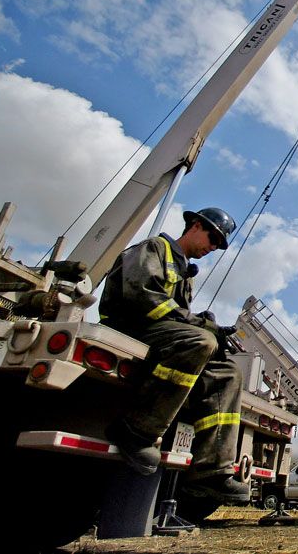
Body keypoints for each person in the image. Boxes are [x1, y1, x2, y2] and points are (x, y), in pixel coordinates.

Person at [99, 207, 249, 503]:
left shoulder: (185, 273)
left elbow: (178, 319)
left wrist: (207, 328)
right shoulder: (154, 248)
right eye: (213, 238)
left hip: (164, 337)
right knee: (201, 341)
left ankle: (211, 472)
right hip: (131, 328)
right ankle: (137, 430)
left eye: (219, 244)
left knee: (228, 373)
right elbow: (143, 297)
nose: (213, 247)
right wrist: (201, 326)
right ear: (195, 225)